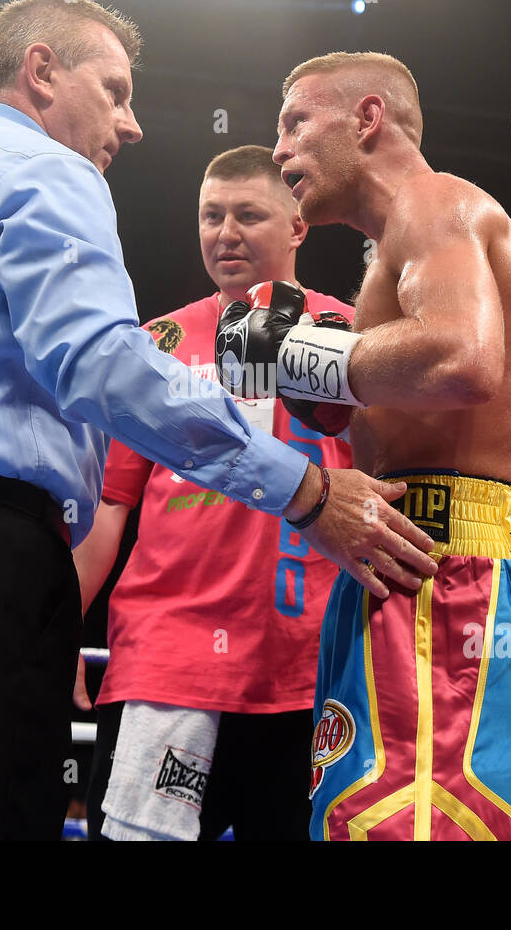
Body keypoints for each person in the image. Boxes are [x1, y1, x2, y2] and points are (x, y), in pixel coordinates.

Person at [0, 0, 436, 841]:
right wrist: (302, 487)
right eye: (115, 90)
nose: (131, 123)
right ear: (41, 71)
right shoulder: (46, 170)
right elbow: (100, 366)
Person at [219, 51, 511, 841]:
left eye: (297, 122)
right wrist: (304, 362)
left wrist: (307, 354)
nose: (279, 150)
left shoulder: (435, 204)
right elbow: (375, 414)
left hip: (449, 580)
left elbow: (462, 359)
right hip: (424, 568)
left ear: (367, 119)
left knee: (415, 824)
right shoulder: (389, 259)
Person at [75, 145, 353, 841]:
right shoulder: (156, 342)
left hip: (314, 669)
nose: (224, 231)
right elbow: (108, 505)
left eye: (247, 214)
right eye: (211, 215)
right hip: (168, 660)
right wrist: (56, 632)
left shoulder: (350, 337)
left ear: (297, 226)